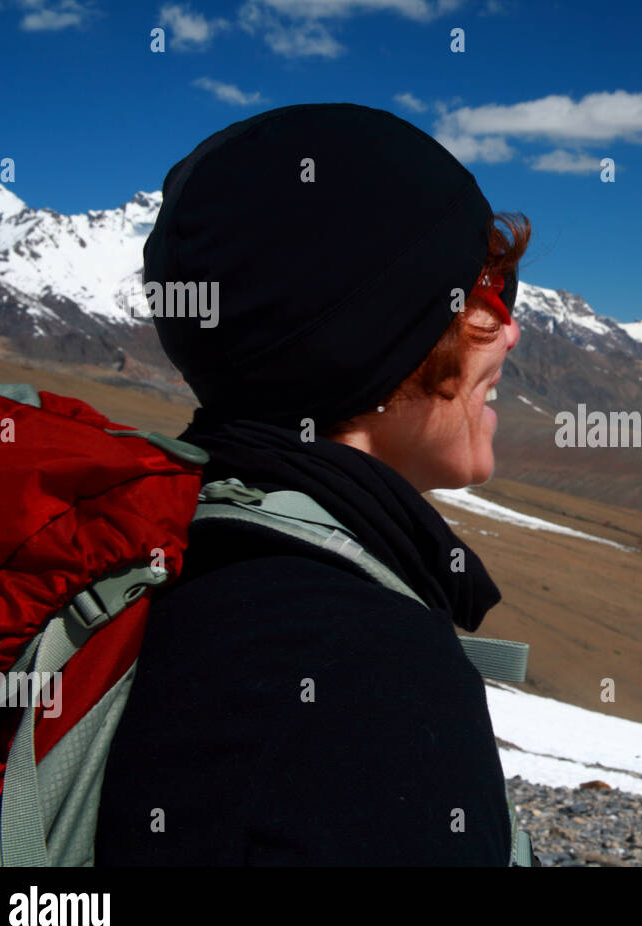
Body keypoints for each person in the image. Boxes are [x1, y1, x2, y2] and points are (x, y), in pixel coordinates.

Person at [94, 103, 530, 865]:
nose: (511, 327)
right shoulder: (365, 677)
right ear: (383, 340)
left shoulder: (185, 545)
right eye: (489, 292)